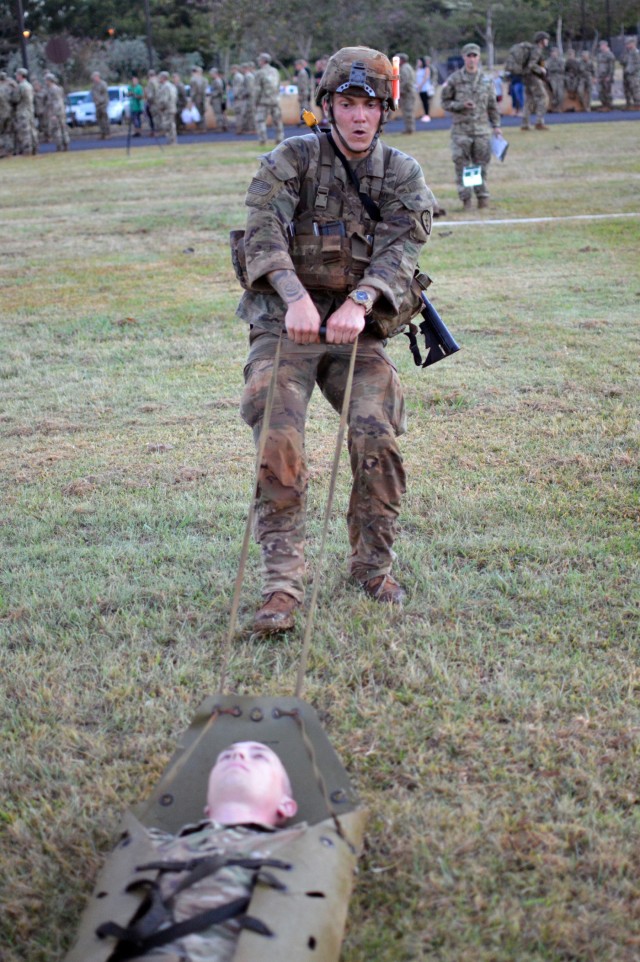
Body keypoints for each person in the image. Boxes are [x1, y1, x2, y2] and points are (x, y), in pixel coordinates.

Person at [234, 46, 435, 633]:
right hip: (285, 324)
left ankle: (372, 567)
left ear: (385, 111)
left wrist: (361, 301)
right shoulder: (290, 158)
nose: (358, 117)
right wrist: (295, 298)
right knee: (278, 430)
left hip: (357, 327)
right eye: (347, 104)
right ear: (327, 106)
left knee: (377, 432)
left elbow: (403, 251)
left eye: (370, 106)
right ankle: (282, 587)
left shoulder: (401, 173)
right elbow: (261, 233)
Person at [93, 742, 303, 962]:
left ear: (286, 806)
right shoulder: (148, 844)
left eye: (259, 756)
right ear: (207, 810)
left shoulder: (300, 846)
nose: (238, 755)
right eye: (225, 755)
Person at [441, 43, 502, 210]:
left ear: (479, 57)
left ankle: (482, 198)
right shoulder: (454, 80)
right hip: (462, 131)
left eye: (475, 56)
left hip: (482, 131)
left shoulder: (486, 81)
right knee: (463, 166)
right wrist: (460, 105)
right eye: (469, 56)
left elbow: (492, 105)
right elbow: (445, 102)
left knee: (481, 166)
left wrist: (496, 125)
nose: (472, 59)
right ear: (463, 57)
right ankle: (466, 200)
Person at [521, 31, 550, 130]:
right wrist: (541, 69)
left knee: (529, 100)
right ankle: (539, 122)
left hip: (527, 78)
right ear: (541, 41)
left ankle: (525, 124)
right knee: (543, 98)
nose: (547, 41)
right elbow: (531, 65)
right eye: (546, 39)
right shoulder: (537, 50)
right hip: (533, 78)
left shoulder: (533, 49)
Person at [253, 52, 284, 145]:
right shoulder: (275, 71)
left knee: (260, 120)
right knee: (277, 120)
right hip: (275, 100)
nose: (258, 61)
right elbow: (278, 85)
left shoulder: (260, 72)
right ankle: (280, 138)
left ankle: (263, 139)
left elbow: (257, 89)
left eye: (259, 60)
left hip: (264, 101)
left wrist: (255, 101)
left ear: (263, 61)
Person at [11, 67, 37, 155]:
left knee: (24, 132)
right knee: (31, 130)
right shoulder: (29, 85)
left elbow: (15, 99)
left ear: (21, 75)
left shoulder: (21, 86)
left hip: (22, 111)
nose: (16, 77)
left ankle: (27, 150)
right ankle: (34, 148)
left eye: (17, 75)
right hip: (30, 110)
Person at [44, 72, 69, 152]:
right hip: (61, 111)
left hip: (56, 111)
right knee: (63, 128)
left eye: (46, 80)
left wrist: (54, 114)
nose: (45, 82)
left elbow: (56, 102)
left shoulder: (53, 89)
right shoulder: (58, 88)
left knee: (57, 129)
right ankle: (65, 144)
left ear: (49, 80)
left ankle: (60, 146)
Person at [396, 52, 416, 133]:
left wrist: (400, 91)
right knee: (408, 111)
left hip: (407, 93)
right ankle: (409, 128)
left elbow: (405, 82)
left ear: (402, 60)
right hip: (409, 92)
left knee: (408, 111)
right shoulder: (408, 67)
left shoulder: (404, 68)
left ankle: (410, 129)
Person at [156, 70, 177, 144]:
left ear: (163, 78)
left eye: (160, 77)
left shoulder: (165, 87)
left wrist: (161, 107)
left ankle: (171, 141)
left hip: (167, 109)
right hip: (171, 107)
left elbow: (165, 99)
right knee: (171, 124)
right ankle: (172, 140)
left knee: (168, 125)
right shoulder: (171, 86)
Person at [620, 36, 640, 109]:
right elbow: (622, 61)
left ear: (633, 43)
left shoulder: (636, 52)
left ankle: (637, 104)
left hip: (633, 75)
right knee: (627, 90)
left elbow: (638, 64)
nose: (627, 45)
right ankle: (628, 104)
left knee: (635, 90)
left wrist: (631, 70)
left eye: (628, 43)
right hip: (626, 75)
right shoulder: (626, 52)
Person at [596, 40, 615, 110]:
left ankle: (609, 105)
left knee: (607, 92)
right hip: (600, 76)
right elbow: (598, 66)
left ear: (605, 46)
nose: (600, 47)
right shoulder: (599, 55)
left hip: (607, 76)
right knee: (601, 91)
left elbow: (612, 67)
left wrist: (609, 76)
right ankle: (604, 105)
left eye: (601, 45)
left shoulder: (610, 55)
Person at [91, 71, 110, 139]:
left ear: (97, 77)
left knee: (104, 119)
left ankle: (107, 133)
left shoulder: (103, 84)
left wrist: (102, 101)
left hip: (103, 104)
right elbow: (93, 94)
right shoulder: (94, 85)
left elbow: (105, 94)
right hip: (97, 104)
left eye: (94, 77)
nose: (93, 79)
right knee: (99, 119)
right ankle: (102, 133)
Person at [545, 46, 565, 112]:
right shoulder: (549, 61)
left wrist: (554, 69)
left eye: (555, 52)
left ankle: (558, 107)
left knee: (560, 93)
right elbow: (548, 69)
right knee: (554, 89)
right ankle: (555, 104)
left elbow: (562, 69)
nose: (554, 54)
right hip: (552, 78)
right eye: (552, 52)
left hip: (560, 78)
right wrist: (556, 69)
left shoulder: (561, 60)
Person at [415, 56, 433, 122]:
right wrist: (417, 85)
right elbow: (417, 78)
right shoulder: (418, 69)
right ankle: (425, 114)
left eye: (419, 62)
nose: (418, 63)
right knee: (423, 102)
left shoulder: (426, 68)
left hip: (425, 88)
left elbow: (426, 78)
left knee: (426, 102)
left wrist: (420, 85)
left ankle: (427, 115)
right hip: (419, 88)